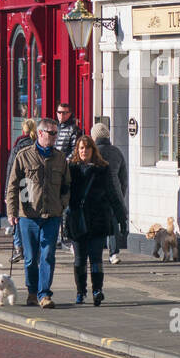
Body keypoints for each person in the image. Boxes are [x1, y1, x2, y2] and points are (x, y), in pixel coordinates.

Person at [6, 115, 70, 308]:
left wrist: (62, 205)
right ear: (40, 133)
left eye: (56, 134)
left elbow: (67, 185)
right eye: (51, 133)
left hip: (52, 215)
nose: (54, 137)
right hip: (28, 215)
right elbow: (13, 186)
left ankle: (45, 294)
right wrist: (12, 212)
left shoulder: (60, 158)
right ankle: (32, 291)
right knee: (31, 257)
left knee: (48, 254)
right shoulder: (24, 155)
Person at [66, 134, 127, 306]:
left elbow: (113, 193)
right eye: (81, 148)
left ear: (93, 150)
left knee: (96, 259)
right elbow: (64, 194)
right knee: (79, 259)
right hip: (78, 220)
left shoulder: (103, 169)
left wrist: (122, 218)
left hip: (98, 219)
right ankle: (81, 292)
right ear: (77, 151)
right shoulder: (71, 169)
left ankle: (97, 290)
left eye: (87, 148)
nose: (84, 151)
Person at [91, 123, 128, 264]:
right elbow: (123, 178)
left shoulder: (91, 152)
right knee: (113, 223)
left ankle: (95, 252)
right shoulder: (117, 152)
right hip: (114, 192)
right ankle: (114, 253)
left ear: (94, 136)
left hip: (95, 194)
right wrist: (120, 194)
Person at [4, 119, 37, 261]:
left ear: (23, 130)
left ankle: (18, 247)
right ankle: (31, 246)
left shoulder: (18, 145)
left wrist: (7, 190)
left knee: (18, 214)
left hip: (21, 185)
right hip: (34, 186)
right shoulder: (37, 145)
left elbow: (11, 168)